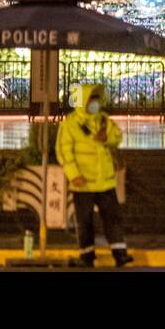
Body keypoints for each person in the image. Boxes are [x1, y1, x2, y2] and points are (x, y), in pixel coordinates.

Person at [55, 83, 131, 267]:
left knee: (113, 218)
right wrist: (73, 175)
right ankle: (87, 256)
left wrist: (108, 138)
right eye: (91, 98)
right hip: (83, 183)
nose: (95, 102)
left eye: (96, 98)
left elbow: (117, 136)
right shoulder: (70, 124)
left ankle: (119, 253)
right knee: (85, 221)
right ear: (82, 102)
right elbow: (64, 152)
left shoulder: (103, 120)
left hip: (105, 181)